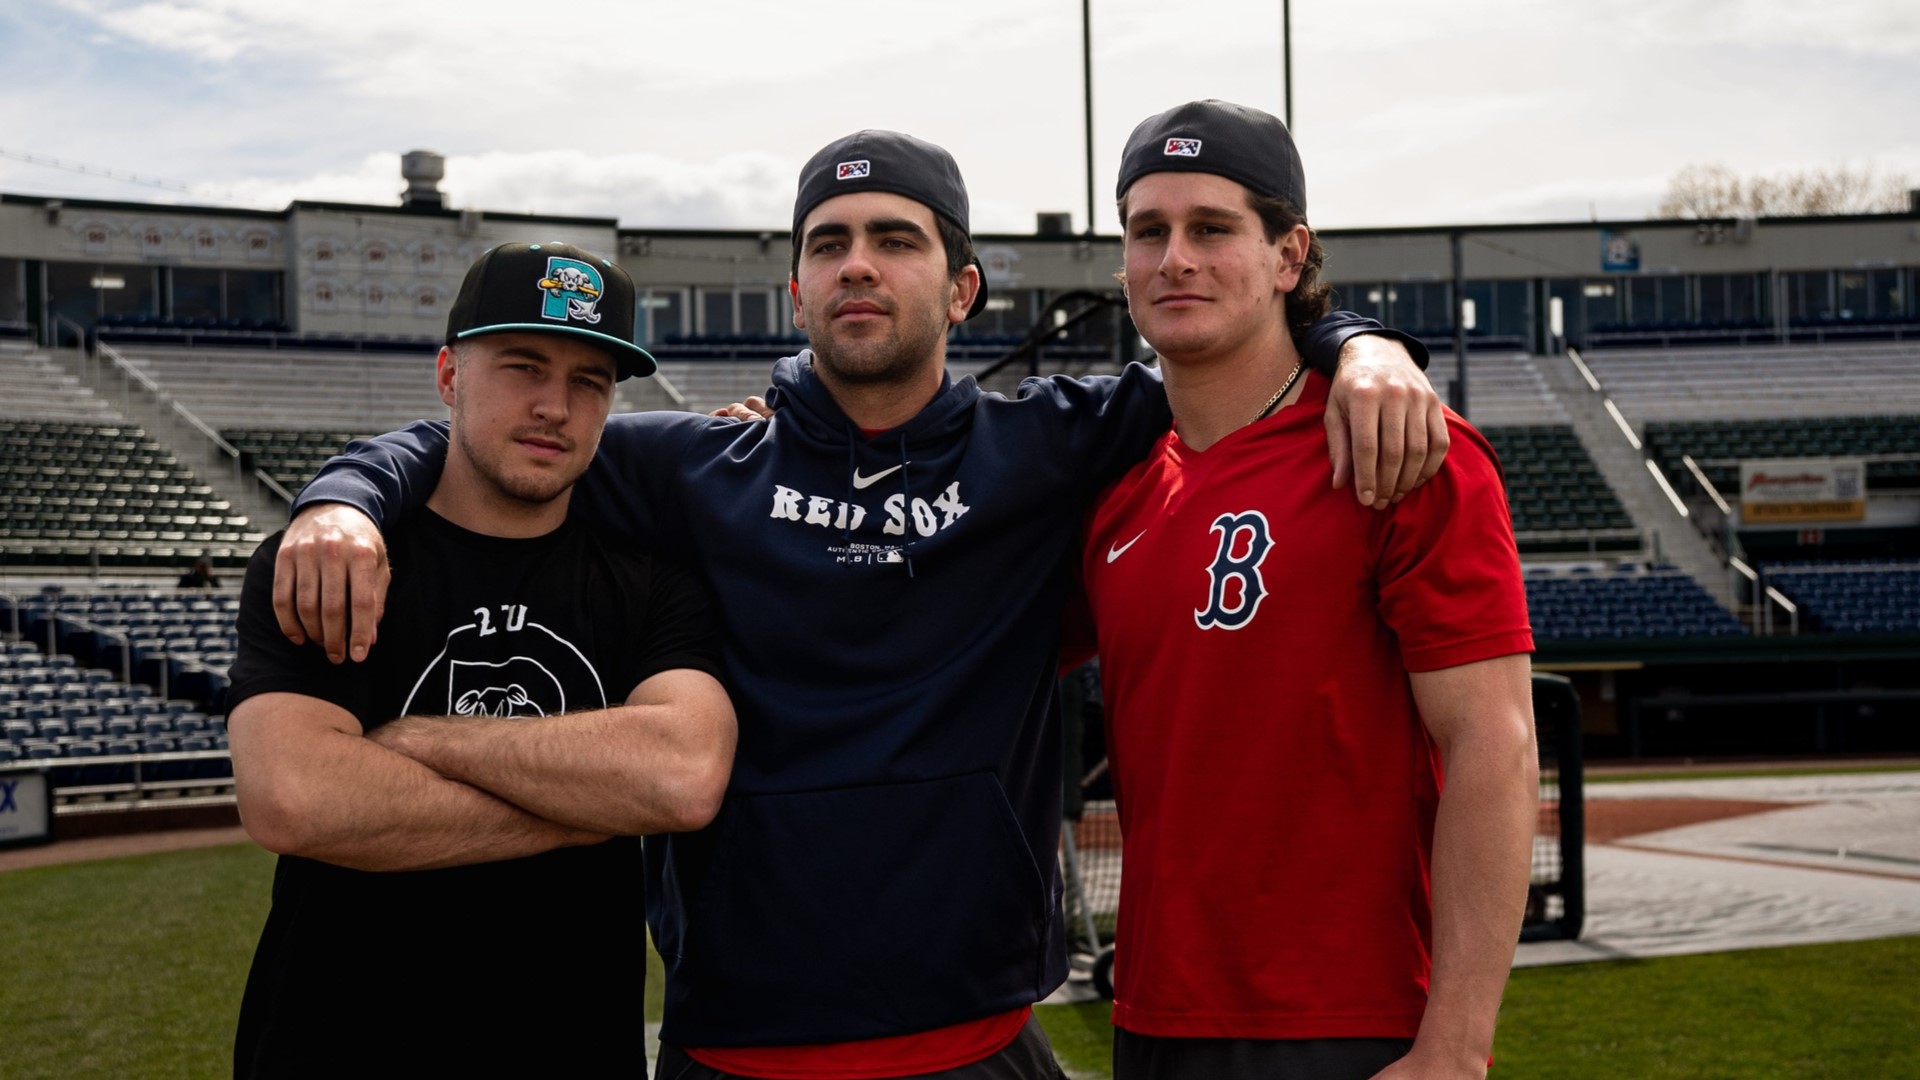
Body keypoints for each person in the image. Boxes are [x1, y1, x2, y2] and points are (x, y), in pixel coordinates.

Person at [269, 130, 1447, 1078]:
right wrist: (344, 499)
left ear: (964, 285)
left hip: (978, 1027)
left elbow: (1231, 349)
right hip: (738, 1034)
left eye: (895, 239)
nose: (859, 265)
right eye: (828, 244)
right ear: (797, 287)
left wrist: (1367, 344)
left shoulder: (1057, 445)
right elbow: (491, 431)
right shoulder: (689, 467)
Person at [1079, 100, 1539, 1080]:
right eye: (1147, 231)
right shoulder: (1113, 489)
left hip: (1351, 1021)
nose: (1175, 259)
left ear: (1290, 256)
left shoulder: (1404, 450)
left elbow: (1493, 745)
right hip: (1154, 1017)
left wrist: (1454, 1050)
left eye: (1212, 228)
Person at [224, 241, 736, 1077]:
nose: (554, 408)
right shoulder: (334, 561)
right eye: (522, 367)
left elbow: (683, 776)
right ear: (449, 376)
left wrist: (420, 742)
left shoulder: (653, 582)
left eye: (588, 383)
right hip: (331, 1045)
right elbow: (296, 799)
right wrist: (597, 801)